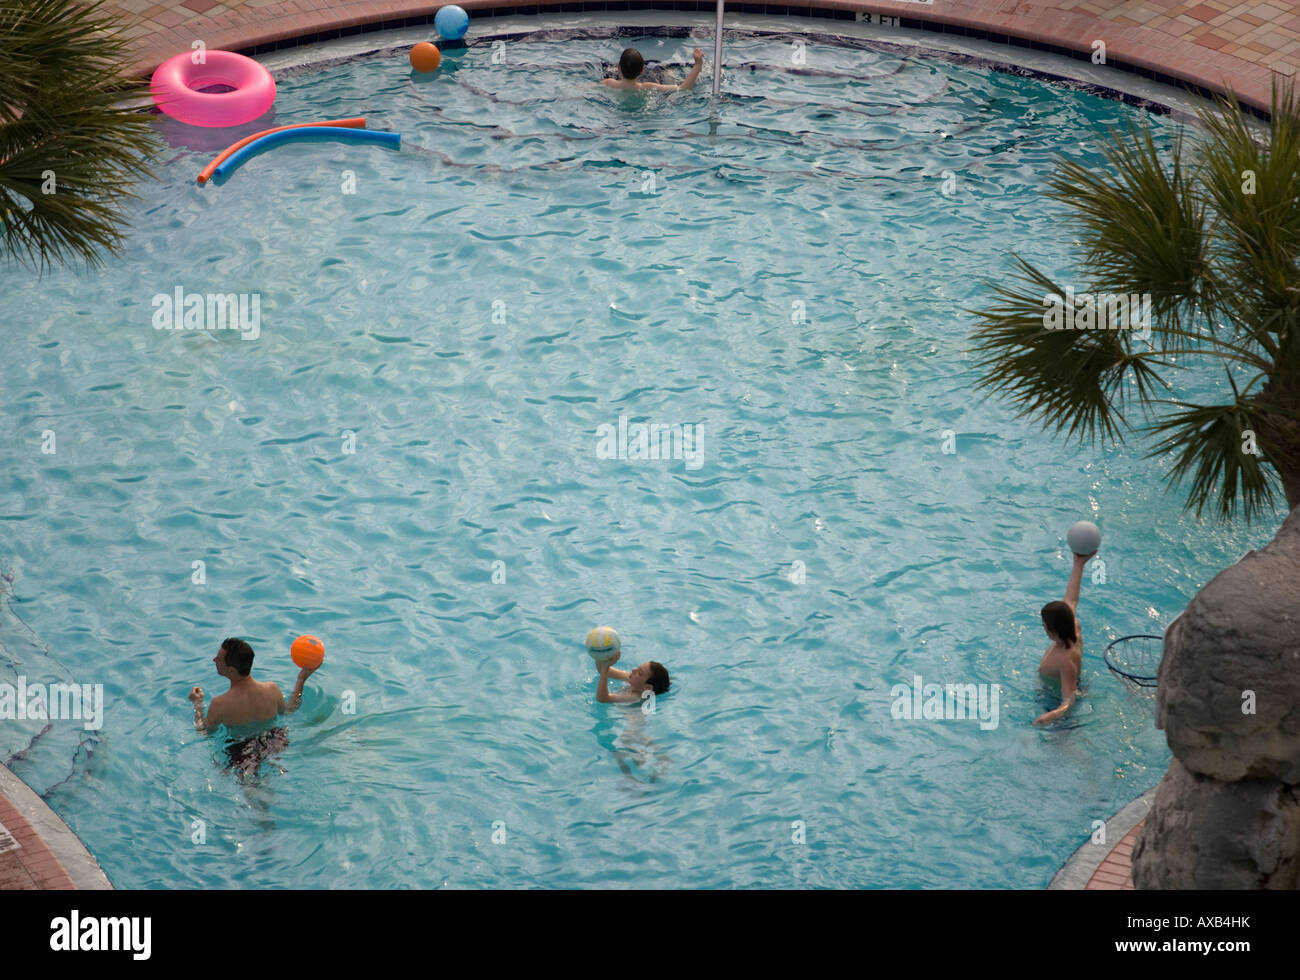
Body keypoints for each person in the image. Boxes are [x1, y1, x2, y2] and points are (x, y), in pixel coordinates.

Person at [188, 637, 317, 732]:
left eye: (219, 659)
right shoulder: (272, 689)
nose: (214, 660)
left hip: (242, 754)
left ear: (231, 671)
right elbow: (290, 710)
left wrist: (197, 704)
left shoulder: (220, 703)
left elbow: (204, 732)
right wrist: (301, 679)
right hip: (275, 742)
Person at [1033, 551, 1095, 726]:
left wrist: (1052, 715)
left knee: (1060, 743)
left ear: (1054, 631)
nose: (1043, 628)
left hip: (1054, 703)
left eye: (1044, 626)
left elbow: (1069, 699)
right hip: (1051, 692)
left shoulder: (1065, 661)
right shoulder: (1073, 626)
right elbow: (1071, 599)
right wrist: (1078, 564)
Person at [602, 47, 704, 92]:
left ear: (618, 67)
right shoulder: (648, 87)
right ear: (643, 70)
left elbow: (586, 88)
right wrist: (698, 64)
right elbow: (683, 88)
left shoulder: (609, 83)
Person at [595, 649, 670, 704]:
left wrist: (605, 667)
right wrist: (600, 655)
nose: (634, 670)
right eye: (638, 667)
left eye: (640, 673)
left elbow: (602, 698)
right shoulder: (633, 679)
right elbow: (601, 670)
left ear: (647, 687)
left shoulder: (635, 697)